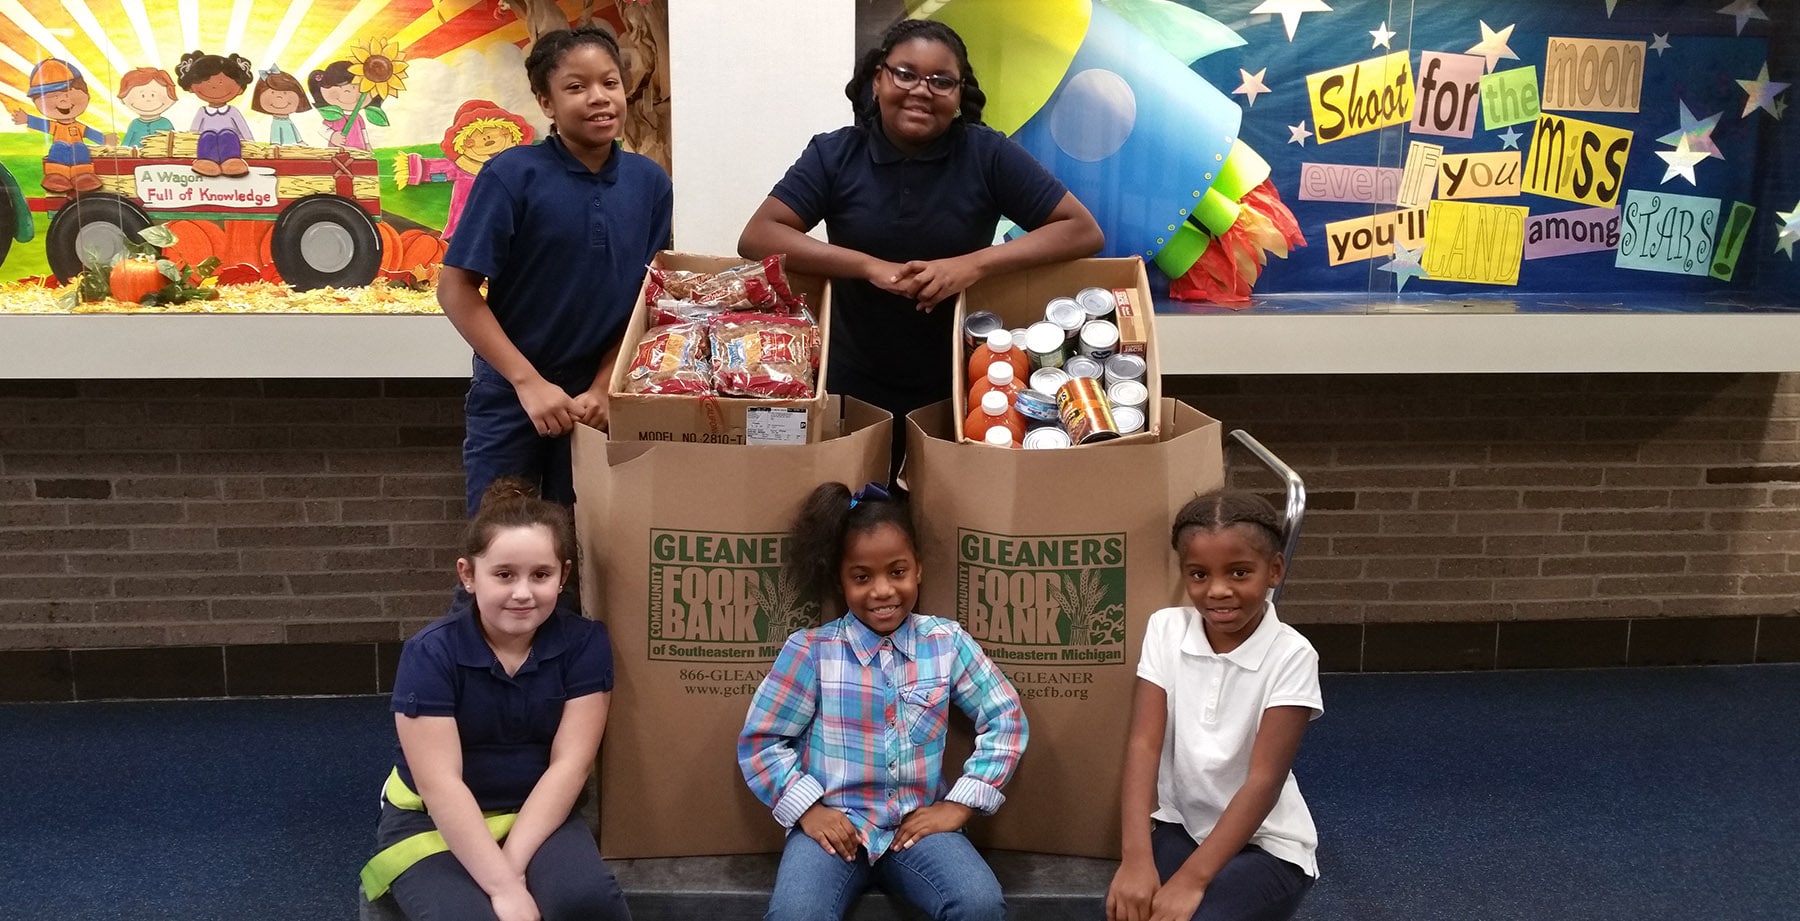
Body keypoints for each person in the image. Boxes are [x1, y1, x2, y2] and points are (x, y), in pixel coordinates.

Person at [736, 19, 1103, 478]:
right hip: (850, 377)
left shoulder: (985, 154)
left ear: (959, 91)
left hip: (962, 381)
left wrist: (973, 264)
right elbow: (759, 235)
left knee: (945, 519)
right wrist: (869, 267)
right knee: (854, 511)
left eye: (940, 80)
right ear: (877, 78)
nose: (921, 91)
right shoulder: (835, 155)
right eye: (904, 73)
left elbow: (1081, 229)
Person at [739, 481, 1028, 921]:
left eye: (897, 572)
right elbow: (762, 742)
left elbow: (1006, 719)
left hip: (917, 829)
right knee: (796, 914)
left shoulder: (945, 642)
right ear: (840, 579)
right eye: (862, 577)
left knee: (979, 903)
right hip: (832, 831)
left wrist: (958, 805)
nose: (882, 592)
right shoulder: (811, 651)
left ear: (919, 570)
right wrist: (810, 811)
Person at [359, 478, 632, 921]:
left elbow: (571, 766)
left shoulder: (585, 642)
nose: (523, 592)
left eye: (540, 575)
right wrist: (504, 890)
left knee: (586, 903)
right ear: (468, 575)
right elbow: (440, 785)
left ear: (563, 575)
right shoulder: (430, 653)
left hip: (536, 810)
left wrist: (509, 873)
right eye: (504, 574)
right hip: (432, 818)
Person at [438, 25, 672, 515]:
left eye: (609, 83)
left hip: (596, 401)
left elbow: (644, 297)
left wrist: (608, 384)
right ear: (546, 102)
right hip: (512, 393)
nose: (598, 98)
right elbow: (455, 289)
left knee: (588, 549)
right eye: (575, 87)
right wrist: (528, 383)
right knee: (502, 546)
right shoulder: (510, 175)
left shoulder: (649, 183)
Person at [1106, 492, 1321, 921]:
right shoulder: (1166, 629)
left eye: (1239, 572)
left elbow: (1264, 780)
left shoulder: (1293, 654)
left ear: (1274, 570)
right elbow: (1143, 745)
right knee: (1124, 912)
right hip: (1181, 825)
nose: (1218, 590)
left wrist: (1191, 880)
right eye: (1199, 574)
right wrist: (1134, 858)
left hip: (1267, 844)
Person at [176, 51, 255, 177]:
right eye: (207, 82)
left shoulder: (233, 111)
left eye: (221, 83)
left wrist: (251, 144)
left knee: (228, 134)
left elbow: (243, 128)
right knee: (208, 135)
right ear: (191, 87)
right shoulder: (202, 112)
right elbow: (194, 131)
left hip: (232, 145)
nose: (214, 87)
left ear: (239, 88)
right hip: (207, 146)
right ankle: (206, 162)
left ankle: (232, 162)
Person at [116, 67, 179, 149]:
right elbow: (125, 145)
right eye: (142, 95)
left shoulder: (165, 123)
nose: (148, 99)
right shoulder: (134, 124)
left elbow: (173, 143)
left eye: (153, 95)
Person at [251, 66, 311, 147]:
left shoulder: (288, 121)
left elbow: (295, 132)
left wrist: (300, 141)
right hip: (282, 150)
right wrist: (275, 144)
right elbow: (275, 136)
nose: (279, 97)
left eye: (285, 93)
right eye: (272, 92)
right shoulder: (276, 123)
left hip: (293, 148)